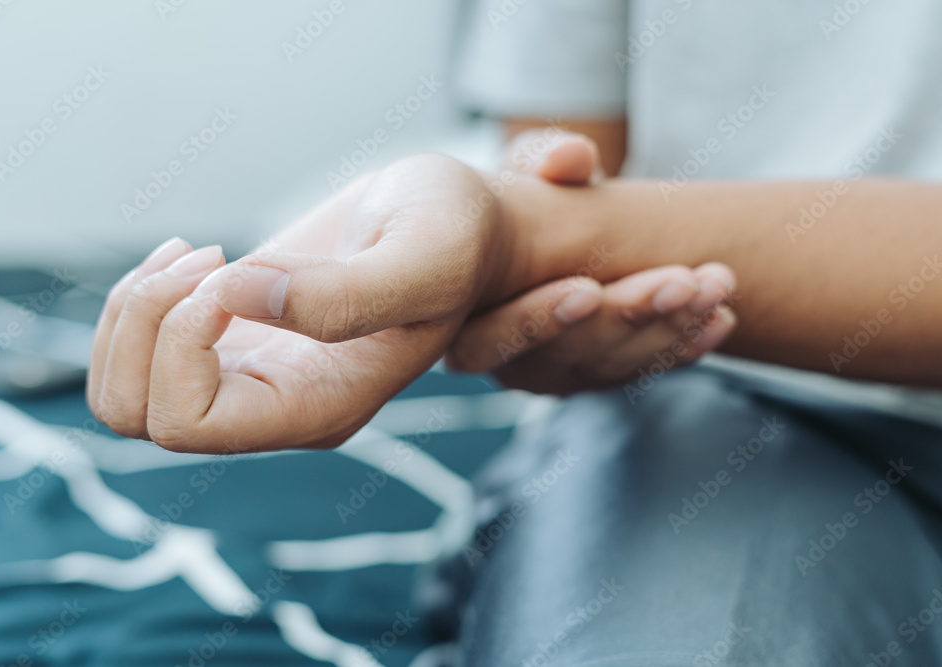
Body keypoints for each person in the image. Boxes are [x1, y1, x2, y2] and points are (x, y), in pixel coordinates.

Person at [88, 0, 942, 662]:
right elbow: (571, 163)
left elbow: (556, 218)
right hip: (743, 394)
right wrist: (525, 248)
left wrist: (526, 236)